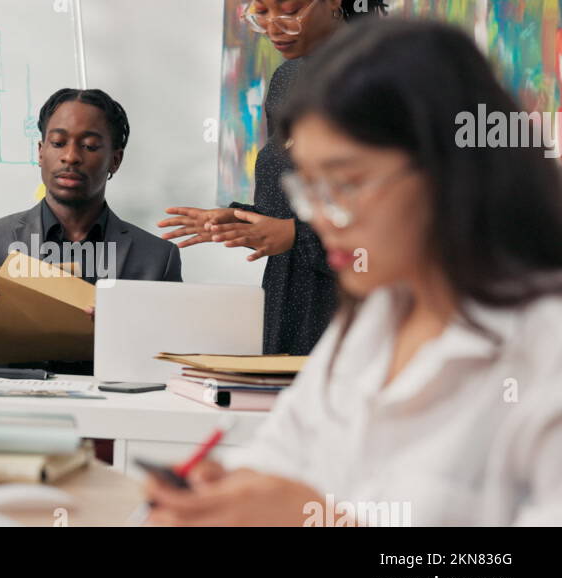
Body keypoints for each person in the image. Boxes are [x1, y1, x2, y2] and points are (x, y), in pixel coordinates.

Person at [146, 19, 562, 526]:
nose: (319, 218)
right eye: (310, 189)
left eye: (345, 184)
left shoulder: (544, 348)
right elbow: (281, 455)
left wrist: (322, 519)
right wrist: (225, 490)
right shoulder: (376, 319)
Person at [158, 0, 387, 356]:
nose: (273, 26)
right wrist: (241, 221)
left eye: (291, 11)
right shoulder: (287, 79)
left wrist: (296, 235)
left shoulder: (380, 78)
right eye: (260, 12)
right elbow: (289, 206)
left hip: (358, 305)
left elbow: (402, 214)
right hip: (288, 297)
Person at [0, 88, 182, 370]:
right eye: (57, 143)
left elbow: (172, 362)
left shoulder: (156, 258)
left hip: (112, 407)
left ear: (115, 160)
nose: (70, 157)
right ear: (41, 152)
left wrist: (128, 334)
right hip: (16, 408)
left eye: (89, 146)